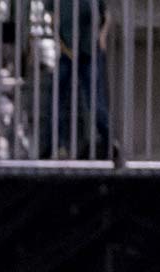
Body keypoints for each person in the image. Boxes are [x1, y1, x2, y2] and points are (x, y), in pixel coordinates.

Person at [45, 0, 112, 159]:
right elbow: (52, 19)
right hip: (66, 52)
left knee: (96, 102)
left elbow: (106, 16)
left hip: (89, 51)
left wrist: (102, 37)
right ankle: (59, 146)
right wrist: (60, 43)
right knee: (56, 101)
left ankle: (109, 143)